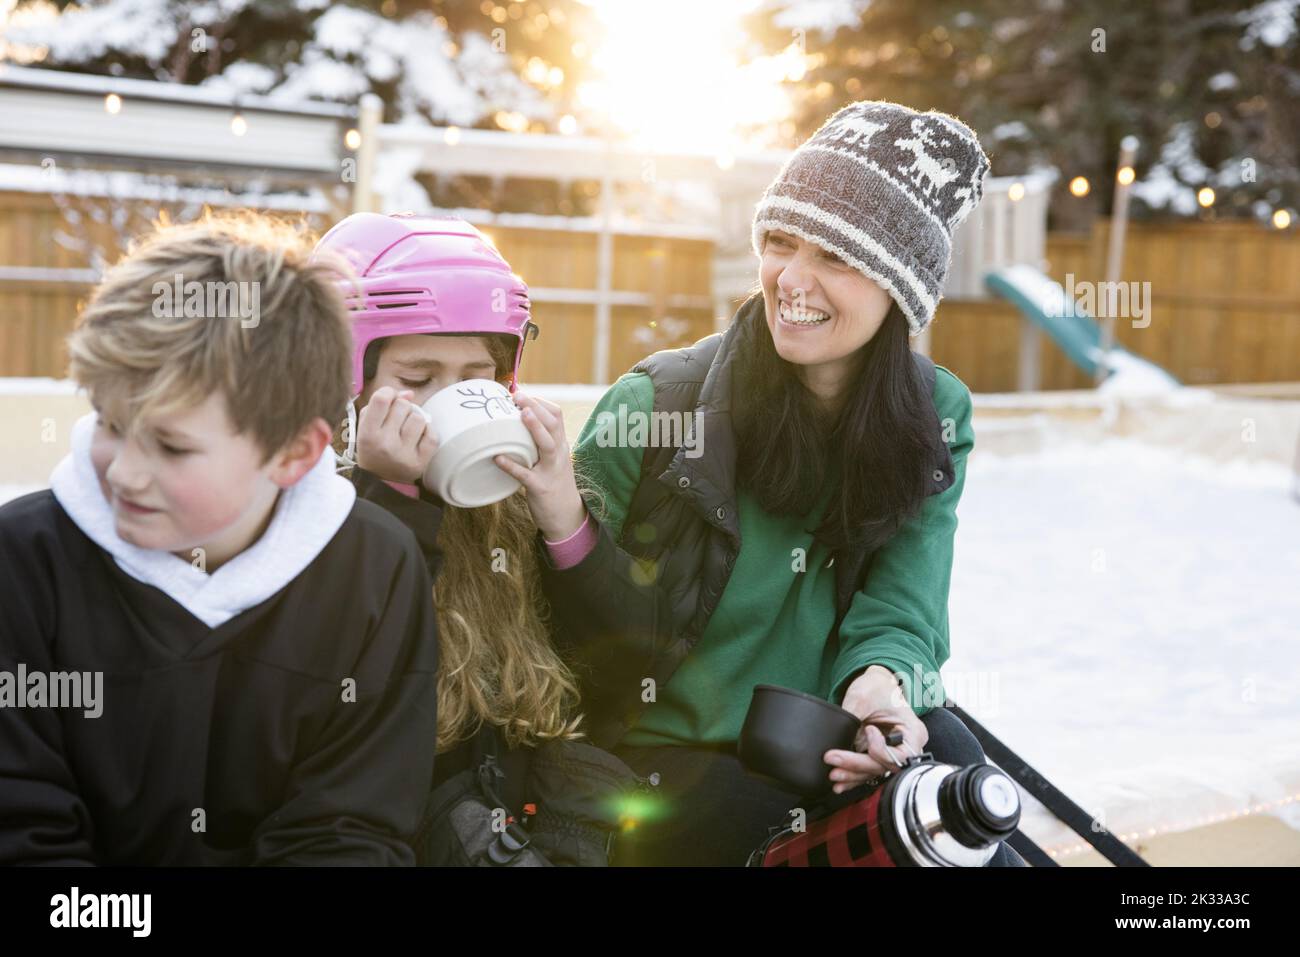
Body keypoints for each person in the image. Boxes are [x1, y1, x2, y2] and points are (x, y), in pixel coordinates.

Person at [497, 100, 1028, 865]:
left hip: (829, 740)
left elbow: (907, 600)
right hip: (662, 758)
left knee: (953, 783)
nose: (793, 280)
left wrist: (883, 688)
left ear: (899, 289)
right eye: (780, 242)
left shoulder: (933, 412)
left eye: (837, 257)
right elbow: (552, 632)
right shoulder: (656, 406)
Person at [0, 213, 439, 865]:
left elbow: (350, 827)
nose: (123, 470)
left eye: (172, 445)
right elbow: (22, 826)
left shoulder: (377, 567)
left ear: (293, 452)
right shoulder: (24, 559)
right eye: (110, 422)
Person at [316, 215, 620, 859]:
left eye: (474, 377)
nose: (446, 400)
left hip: (514, 802)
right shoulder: (313, 506)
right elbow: (351, 677)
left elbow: (624, 662)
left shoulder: (508, 502)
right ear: (348, 380)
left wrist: (563, 515)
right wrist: (390, 497)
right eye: (416, 378)